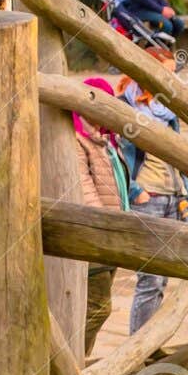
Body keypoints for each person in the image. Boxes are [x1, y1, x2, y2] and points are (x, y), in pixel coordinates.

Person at [118, 66, 188, 333]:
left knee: (164, 278)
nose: (171, 78)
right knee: (149, 279)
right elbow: (115, 155)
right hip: (148, 198)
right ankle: (137, 345)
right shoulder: (126, 107)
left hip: (173, 198)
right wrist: (134, 191)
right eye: (165, 73)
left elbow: (177, 162)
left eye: (174, 73)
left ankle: (149, 344)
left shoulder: (169, 113)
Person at [73, 78, 131, 353]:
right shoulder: (77, 142)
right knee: (97, 308)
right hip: (94, 239)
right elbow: (85, 191)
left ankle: (76, 365)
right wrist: (104, 234)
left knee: (92, 307)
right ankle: (67, 369)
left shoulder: (105, 140)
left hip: (113, 235)